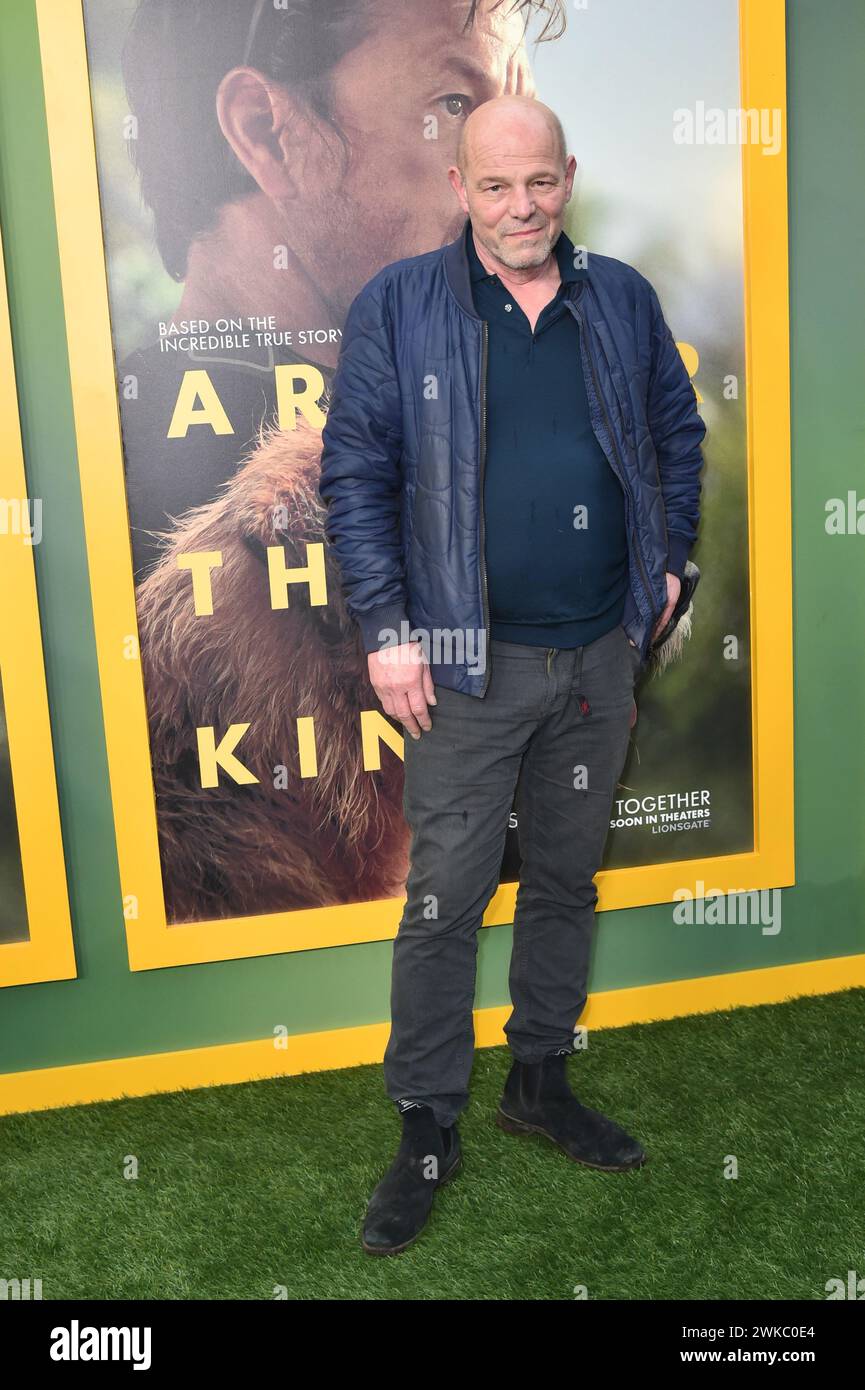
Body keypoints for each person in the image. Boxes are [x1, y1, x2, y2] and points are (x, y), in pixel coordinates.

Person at [321, 91, 706, 1256]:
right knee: (443, 899)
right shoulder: (400, 306)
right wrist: (387, 625)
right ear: (459, 190)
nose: (519, 205)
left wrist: (670, 569)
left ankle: (540, 1080)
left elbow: (676, 434)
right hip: (460, 664)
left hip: (597, 654)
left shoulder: (621, 298)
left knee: (564, 881)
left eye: (538, 181)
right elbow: (357, 473)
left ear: (568, 176)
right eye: (494, 185)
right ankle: (427, 1123)